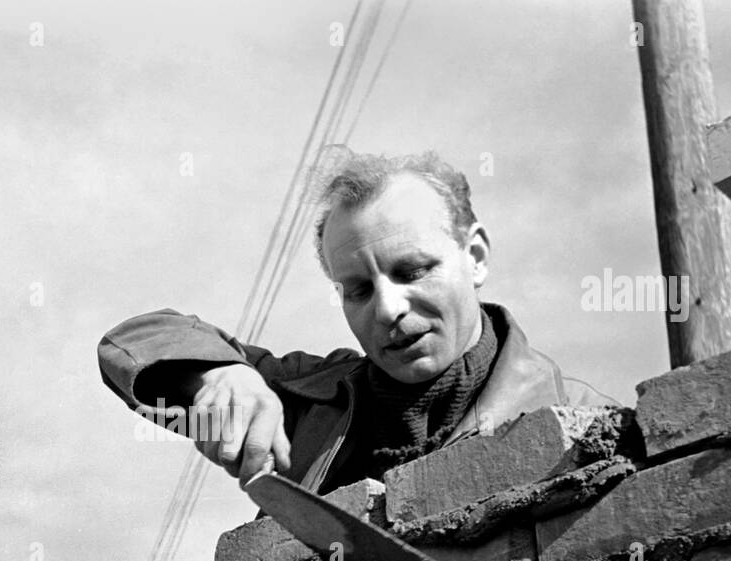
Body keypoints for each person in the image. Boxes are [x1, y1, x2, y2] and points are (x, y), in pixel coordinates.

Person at [98, 148, 615, 496]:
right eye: (359, 290)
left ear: (475, 255)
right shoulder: (306, 402)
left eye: (412, 271)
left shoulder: (587, 421)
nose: (387, 309)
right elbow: (133, 339)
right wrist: (215, 375)